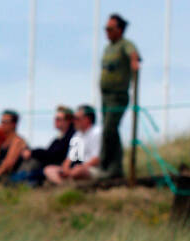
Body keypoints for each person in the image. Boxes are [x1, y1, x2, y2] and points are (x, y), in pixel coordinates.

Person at [98, 14, 140, 178]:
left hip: (118, 95)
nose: (107, 32)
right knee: (109, 131)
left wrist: (134, 62)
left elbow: (133, 53)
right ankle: (112, 167)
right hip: (106, 96)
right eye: (105, 28)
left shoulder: (125, 44)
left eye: (110, 29)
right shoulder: (108, 48)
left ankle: (109, 166)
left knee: (109, 129)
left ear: (119, 30)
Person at [9, 106, 76, 185]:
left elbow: (53, 155)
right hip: (49, 168)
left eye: (58, 119)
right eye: (55, 119)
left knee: (27, 172)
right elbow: (49, 153)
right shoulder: (60, 138)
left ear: (68, 121)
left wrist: (32, 153)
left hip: (58, 169)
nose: (55, 121)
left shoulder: (72, 136)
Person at [43, 106, 103, 184]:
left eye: (77, 118)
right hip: (78, 168)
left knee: (77, 171)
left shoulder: (97, 133)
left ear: (87, 119)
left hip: (94, 168)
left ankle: (68, 183)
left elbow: (97, 159)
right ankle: (64, 186)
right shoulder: (78, 134)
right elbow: (69, 158)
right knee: (49, 169)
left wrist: (81, 167)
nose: (74, 121)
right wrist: (66, 169)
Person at [0, 110, 28, 182]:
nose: (1, 125)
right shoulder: (2, 142)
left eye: (5, 122)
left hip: (10, 179)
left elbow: (8, 165)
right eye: (1, 122)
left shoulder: (18, 141)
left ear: (13, 124)